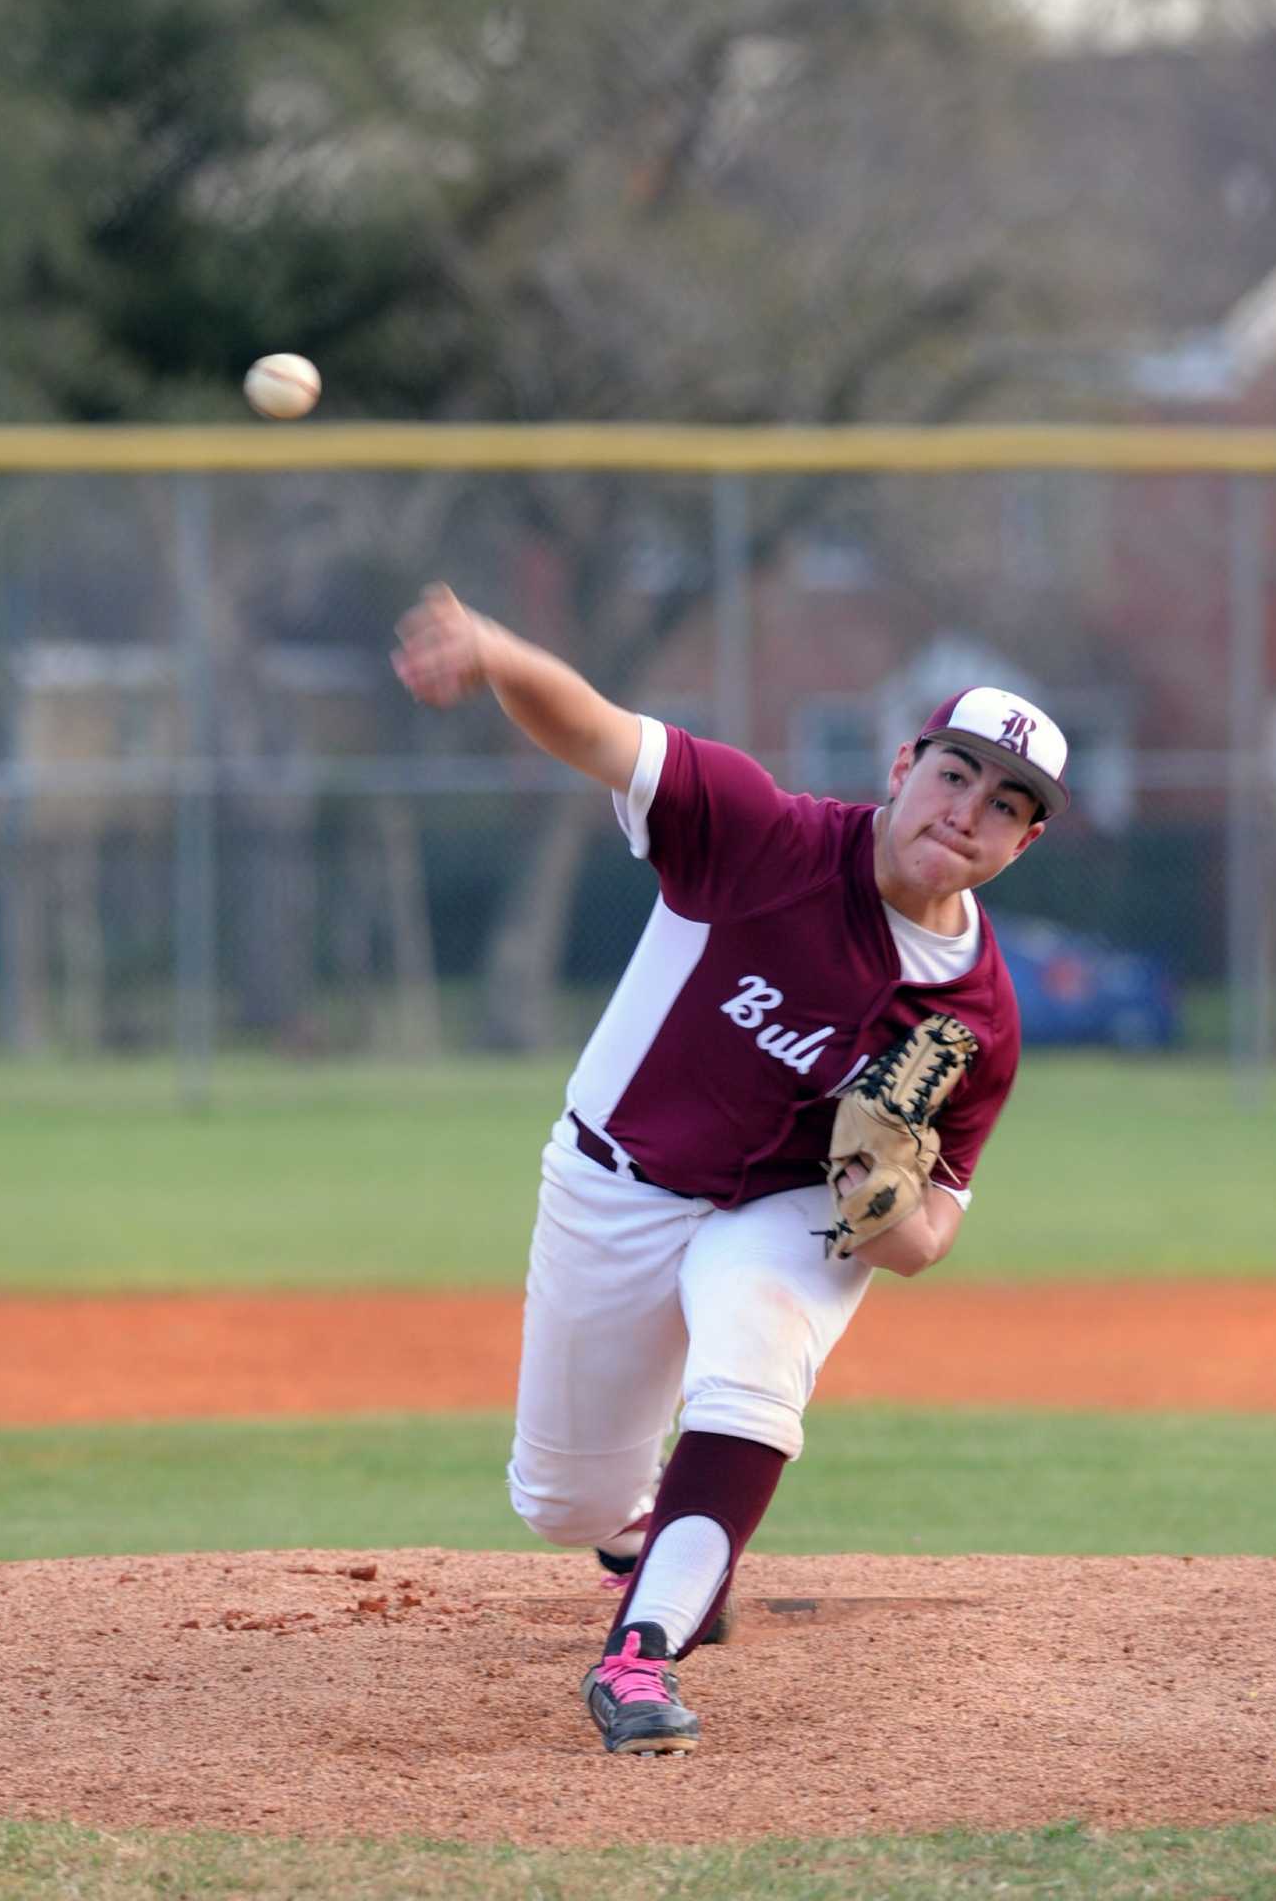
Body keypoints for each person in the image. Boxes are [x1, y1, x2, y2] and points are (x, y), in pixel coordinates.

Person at [391, 582, 1069, 1757]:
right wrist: (497, 648)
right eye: (955, 773)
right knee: (562, 1501)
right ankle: (643, 1527)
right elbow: (601, 731)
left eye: (1006, 802)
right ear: (903, 764)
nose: (969, 810)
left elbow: (930, 1235)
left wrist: (883, 1199)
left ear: (1026, 839)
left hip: (788, 1208)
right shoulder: (762, 834)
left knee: (754, 1362)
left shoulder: (979, 1013)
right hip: (618, 1182)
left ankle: (638, 1654)